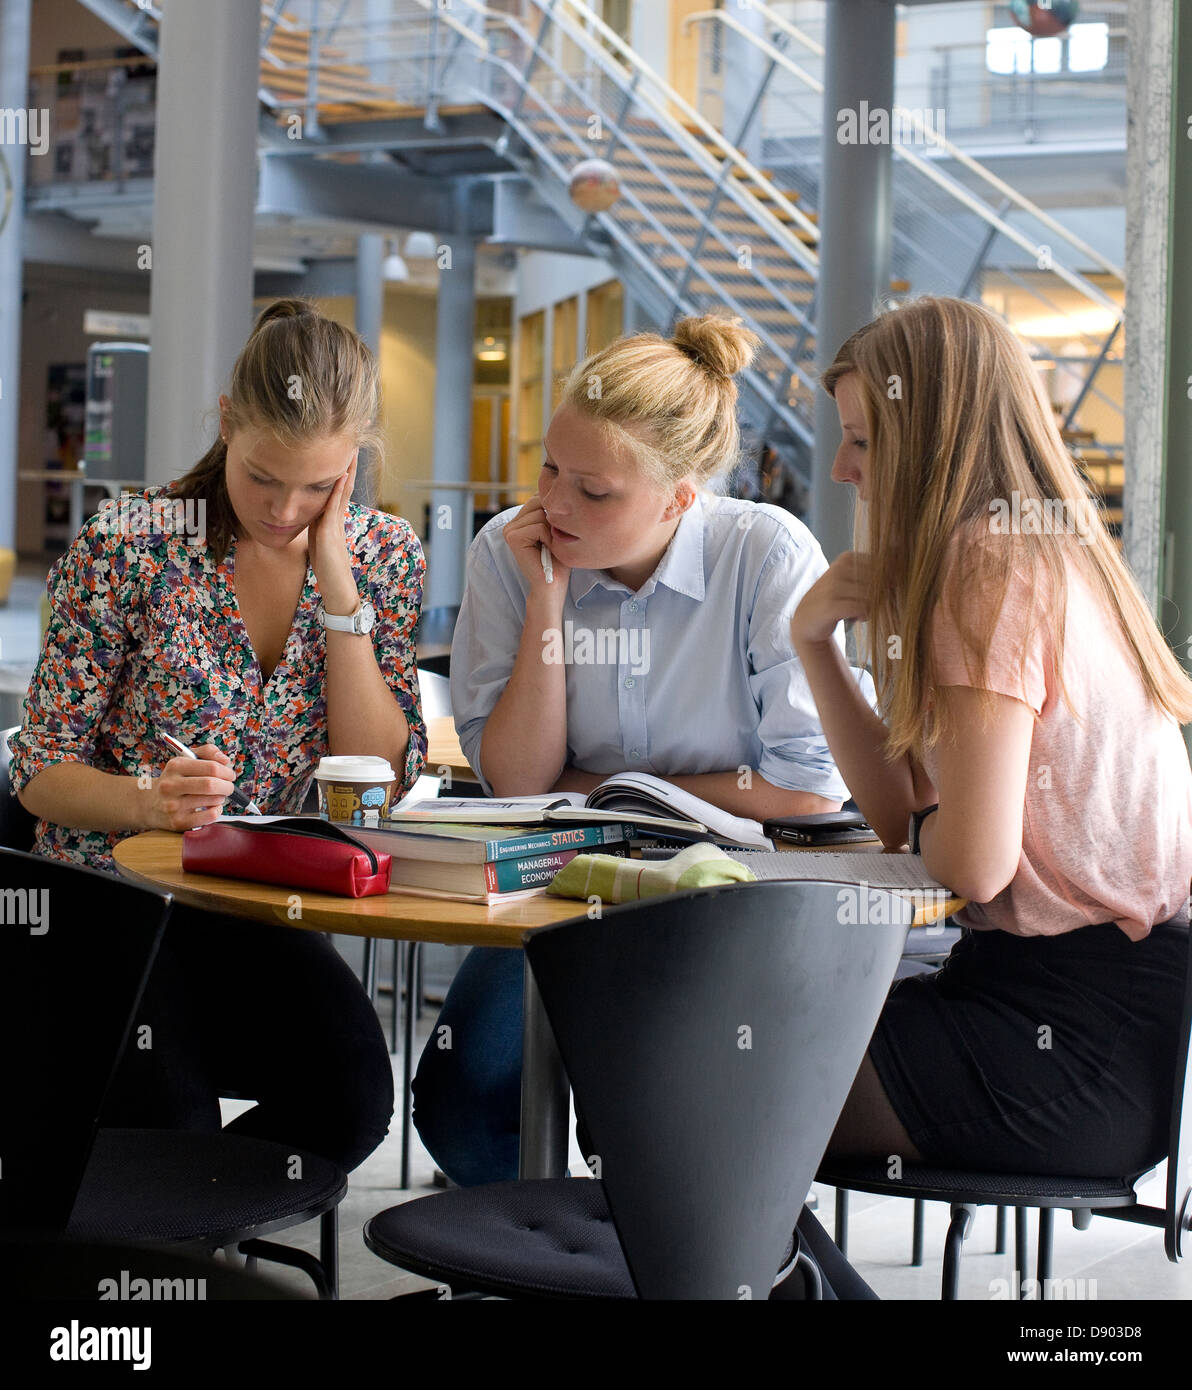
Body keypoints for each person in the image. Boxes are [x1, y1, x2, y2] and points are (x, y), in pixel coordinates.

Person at [413, 313, 871, 1186]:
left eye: (595, 492)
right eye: (551, 468)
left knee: (667, 1105)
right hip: (562, 877)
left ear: (680, 497)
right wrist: (547, 603)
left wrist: (599, 784)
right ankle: (554, 1261)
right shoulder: (510, 552)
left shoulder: (764, 553)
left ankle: (635, 1256)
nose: (554, 504)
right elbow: (516, 778)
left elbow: (808, 788)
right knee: (460, 1096)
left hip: (727, 893)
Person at [10, 298, 427, 1172]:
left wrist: (340, 590)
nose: (284, 509)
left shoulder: (385, 556)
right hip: (105, 898)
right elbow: (40, 771)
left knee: (353, 1095)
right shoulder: (128, 545)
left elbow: (379, 771)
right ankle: (161, 1227)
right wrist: (147, 801)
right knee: (170, 1114)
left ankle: (192, 1221)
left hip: (248, 902)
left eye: (318, 485)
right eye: (263, 477)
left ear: (355, 461)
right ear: (229, 424)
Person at [793, 295, 1192, 1179]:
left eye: (864, 438)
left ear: (932, 437)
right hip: (1102, 1018)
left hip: (1071, 1038)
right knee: (699, 1089)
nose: (841, 467)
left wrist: (945, 828)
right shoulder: (1046, 552)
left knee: (679, 1092)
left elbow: (970, 862)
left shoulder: (990, 566)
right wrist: (813, 647)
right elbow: (903, 820)